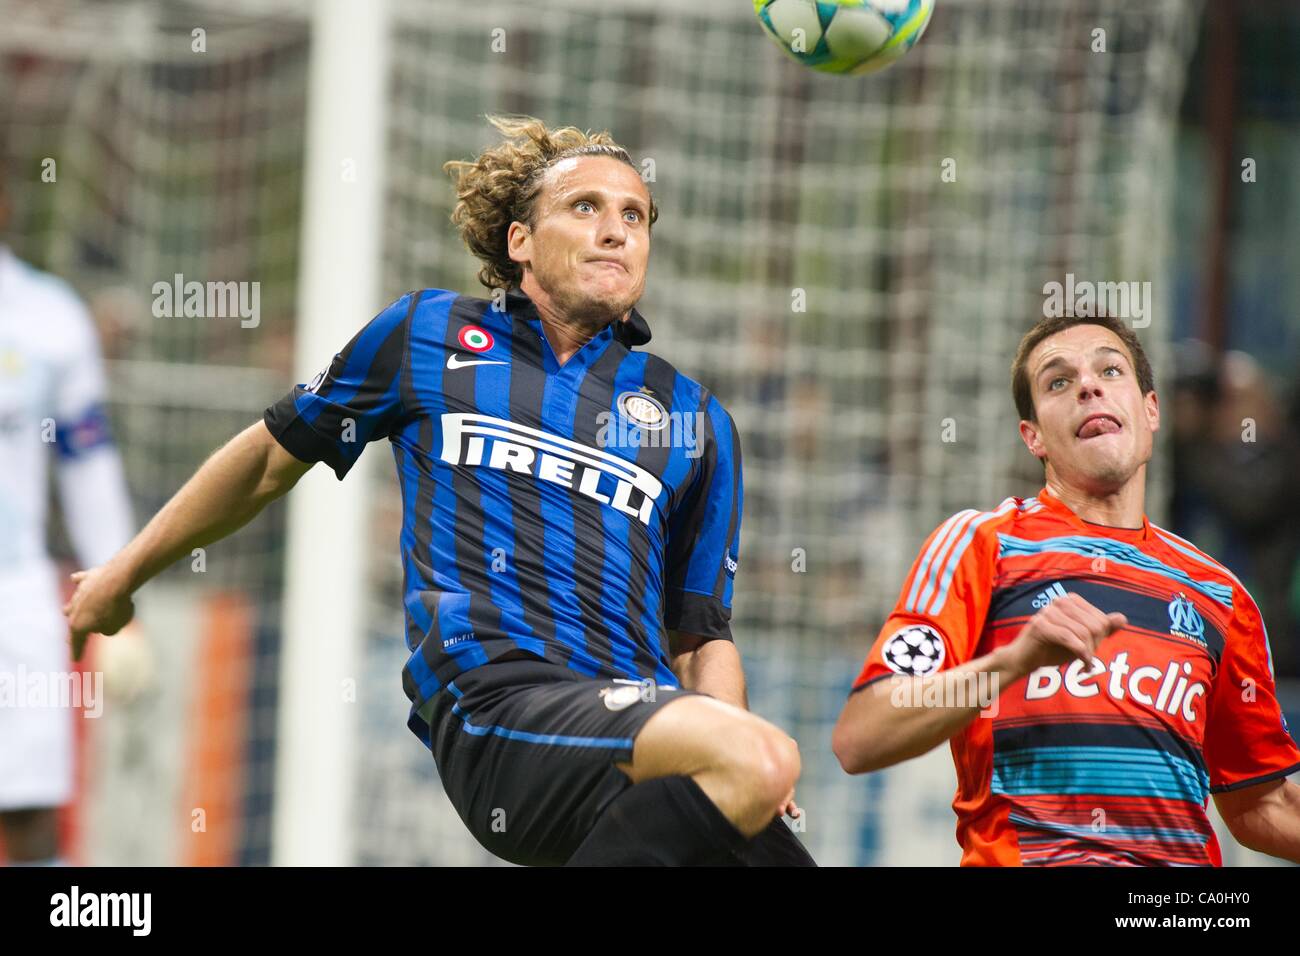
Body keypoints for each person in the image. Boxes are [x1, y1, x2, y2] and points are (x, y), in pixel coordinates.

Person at [65, 116, 814, 866]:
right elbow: (267, 460)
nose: (616, 230)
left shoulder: (694, 418)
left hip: (647, 728)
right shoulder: (427, 336)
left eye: (634, 216)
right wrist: (122, 574)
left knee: (764, 776)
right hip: (496, 704)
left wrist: (731, 742)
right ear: (520, 241)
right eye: (584, 207)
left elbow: (700, 636)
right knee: (762, 757)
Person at [833, 314, 1300, 865]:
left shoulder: (1219, 595)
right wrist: (1013, 662)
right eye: (1058, 381)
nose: (1088, 385)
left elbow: (1264, 802)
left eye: (1110, 369)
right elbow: (862, 735)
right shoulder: (983, 544)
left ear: (1151, 411)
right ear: (1033, 437)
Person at [0, 163, 135, 865]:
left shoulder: (49, 318)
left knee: (26, 808)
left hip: (13, 595)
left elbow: (88, 464)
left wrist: (119, 585)